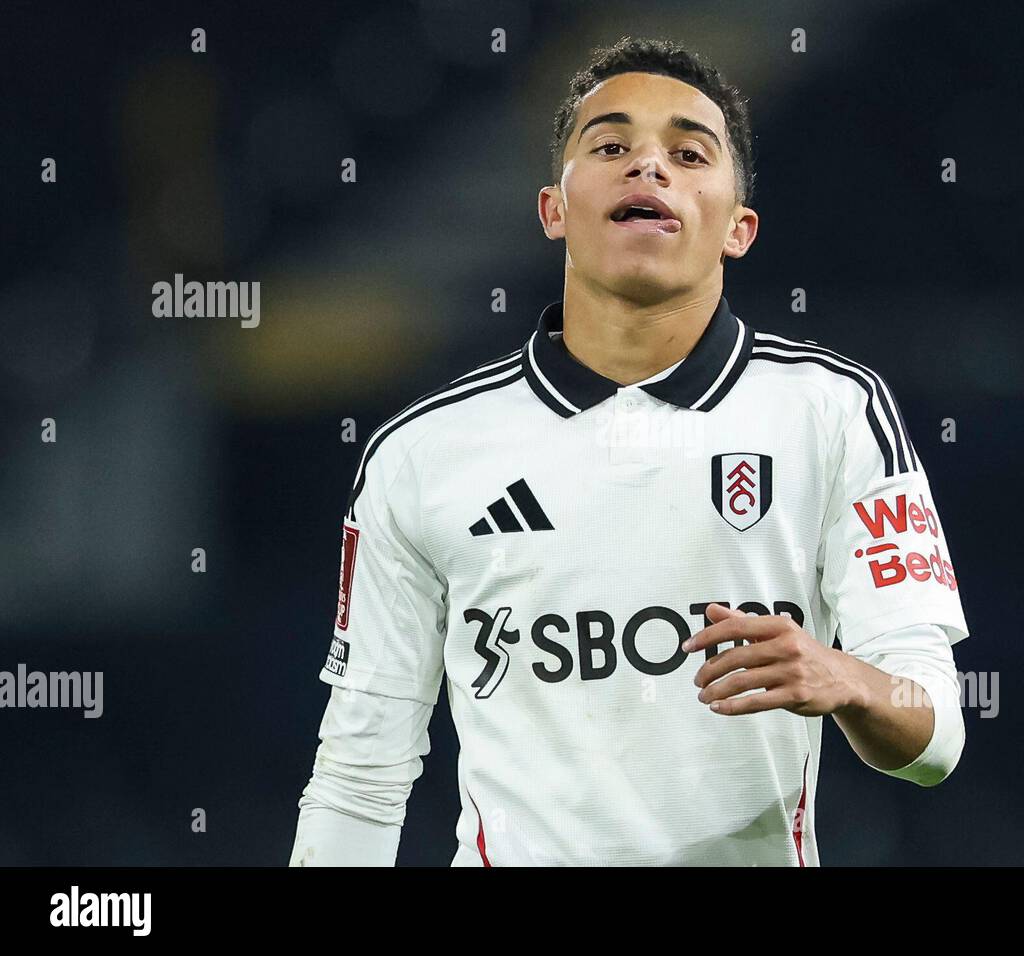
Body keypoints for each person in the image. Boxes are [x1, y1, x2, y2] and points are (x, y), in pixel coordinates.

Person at [290, 35, 971, 867]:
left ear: (739, 227)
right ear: (552, 209)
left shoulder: (830, 413)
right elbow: (361, 772)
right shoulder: (422, 454)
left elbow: (934, 734)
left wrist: (849, 679)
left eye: (688, 153)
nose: (648, 167)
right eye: (611, 146)